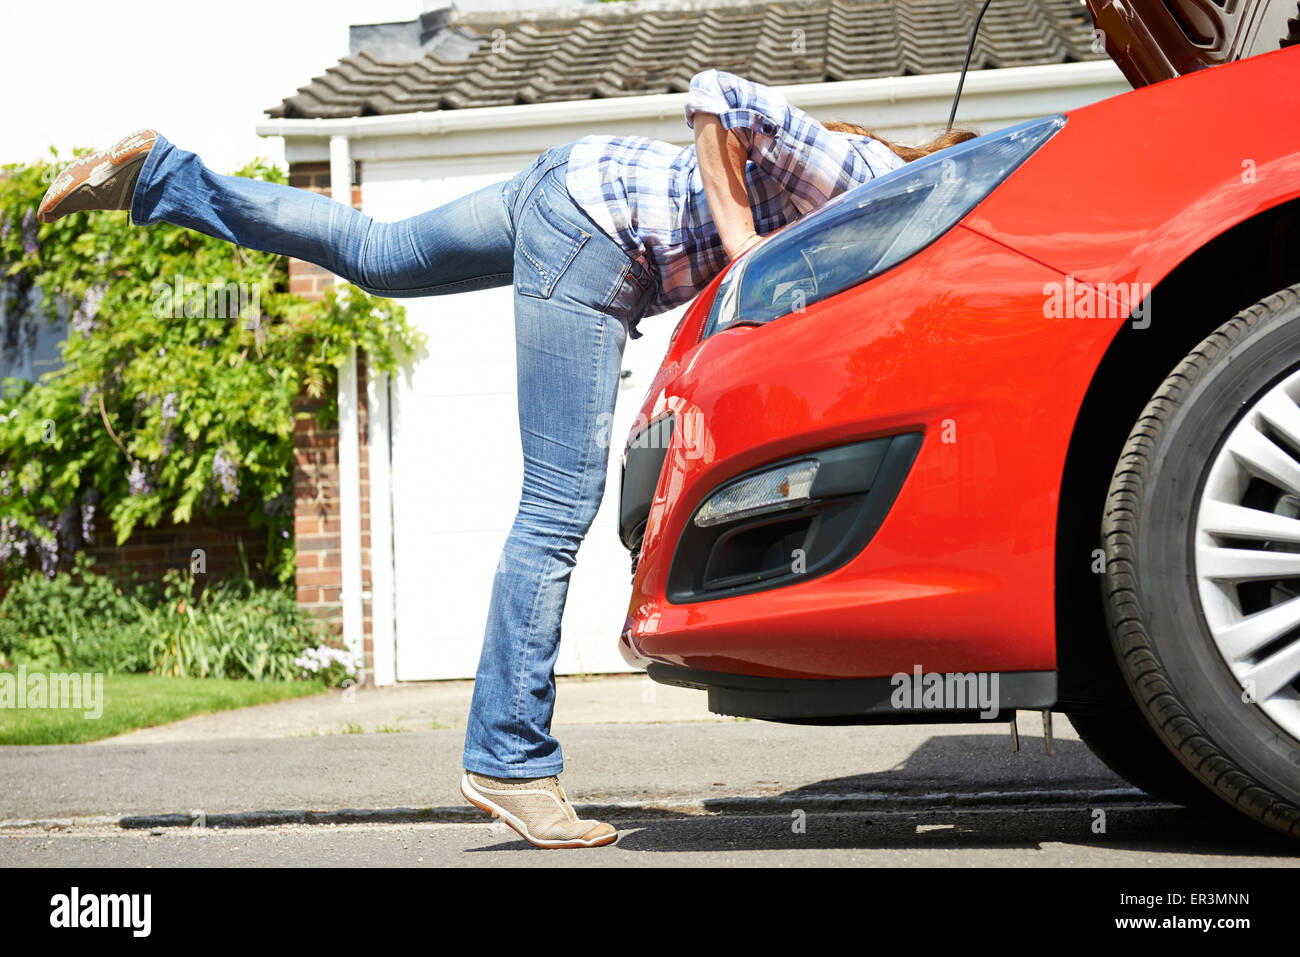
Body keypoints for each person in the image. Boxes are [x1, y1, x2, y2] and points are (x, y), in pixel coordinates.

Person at [38, 68, 975, 849]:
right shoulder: (871, 175)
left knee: (376, 248)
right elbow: (716, 93)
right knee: (558, 503)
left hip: (566, 188)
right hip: (600, 240)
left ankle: (158, 177)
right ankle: (511, 760)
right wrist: (737, 242)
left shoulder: (862, 217)